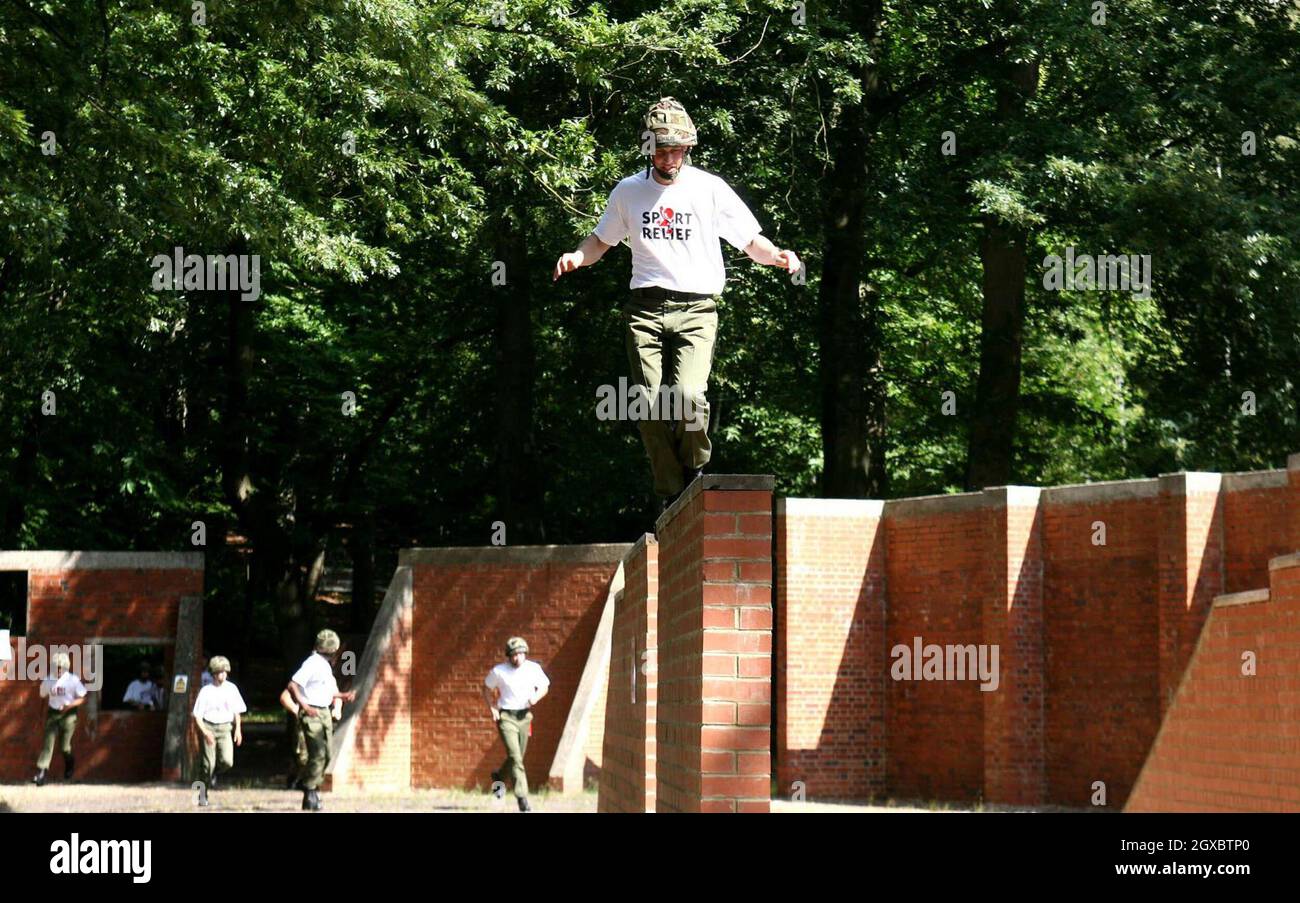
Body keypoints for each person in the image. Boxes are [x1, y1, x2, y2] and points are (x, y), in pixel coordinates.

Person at [554, 96, 802, 514]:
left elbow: (749, 241)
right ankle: (670, 491)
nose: (671, 158)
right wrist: (578, 256)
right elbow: (600, 241)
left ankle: (695, 474)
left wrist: (778, 255)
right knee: (649, 403)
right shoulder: (629, 192)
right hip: (645, 307)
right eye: (663, 150)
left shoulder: (709, 188)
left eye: (678, 150)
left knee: (687, 395)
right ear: (649, 149)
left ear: (687, 149)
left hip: (697, 308)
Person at [287, 629, 355, 811]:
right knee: (317, 753)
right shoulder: (312, 663)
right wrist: (305, 705)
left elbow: (326, 691)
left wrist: (343, 695)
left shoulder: (325, 666)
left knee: (327, 754)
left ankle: (313, 788)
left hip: (323, 712)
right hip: (312, 712)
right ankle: (310, 790)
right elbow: (293, 684)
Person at [482, 637, 550, 812]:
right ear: (508, 656)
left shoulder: (533, 669)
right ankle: (522, 799)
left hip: (524, 716)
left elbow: (544, 686)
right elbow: (486, 688)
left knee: (516, 757)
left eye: (520, 654)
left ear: (525, 653)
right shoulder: (499, 671)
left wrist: (536, 696)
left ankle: (499, 777)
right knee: (516, 757)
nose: (517, 658)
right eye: (513, 655)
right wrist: (493, 708)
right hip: (506, 717)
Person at [191, 655, 246, 806]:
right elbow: (197, 716)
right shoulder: (206, 691)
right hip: (209, 726)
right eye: (219, 672)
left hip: (225, 727)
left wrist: (238, 729)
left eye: (224, 672)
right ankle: (203, 793)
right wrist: (205, 732)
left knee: (227, 761)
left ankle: (215, 773)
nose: (222, 675)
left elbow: (237, 711)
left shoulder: (231, 689)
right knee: (207, 765)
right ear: (213, 673)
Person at [33, 651, 88, 786]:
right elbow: (43, 698)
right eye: (55, 667)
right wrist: (40, 716)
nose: (58, 670)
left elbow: (82, 698)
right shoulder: (48, 681)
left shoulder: (72, 680)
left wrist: (69, 706)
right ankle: (41, 773)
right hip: (53, 713)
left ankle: (70, 764)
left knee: (64, 747)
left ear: (65, 668)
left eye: (61, 668)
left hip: (69, 714)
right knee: (48, 744)